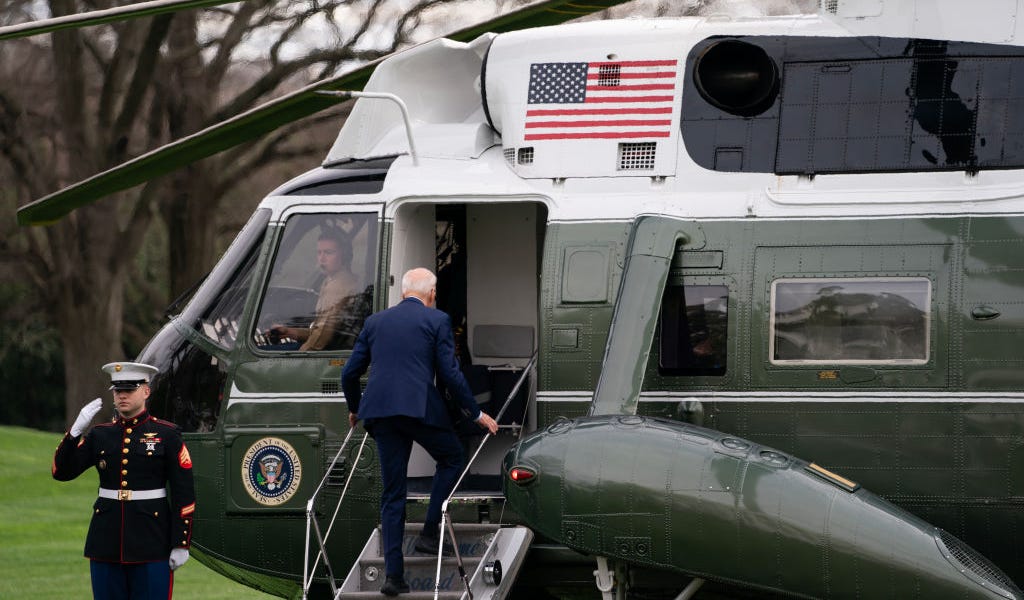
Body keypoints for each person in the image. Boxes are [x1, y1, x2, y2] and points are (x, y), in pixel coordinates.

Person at [341, 268, 499, 596]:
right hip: (419, 409)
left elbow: (349, 373)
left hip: (382, 414)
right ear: (431, 294)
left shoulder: (375, 323)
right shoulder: (437, 320)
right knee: (453, 456)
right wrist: (478, 413)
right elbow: (452, 376)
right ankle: (430, 532)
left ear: (403, 293)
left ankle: (393, 577)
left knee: (392, 493)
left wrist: (356, 408)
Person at [53, 362, 196, 600]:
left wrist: (182, 542)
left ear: (146, 391)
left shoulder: (167, 435)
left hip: (152, 541)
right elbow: (62, 472)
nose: (122, 395)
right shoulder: (100, 434)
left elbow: (184, 492)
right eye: (117, 390)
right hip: (106, 542)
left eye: (129, 389)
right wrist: (74, 433)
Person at [272, 228, 360, 350]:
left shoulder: (338, 286)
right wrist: (292, 332)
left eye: (328, 252)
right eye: (319, 252)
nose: (322, 258)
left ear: (344, 255)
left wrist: (297, 360)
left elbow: (320, 338)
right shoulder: (333, 280)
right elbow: (320, 331)